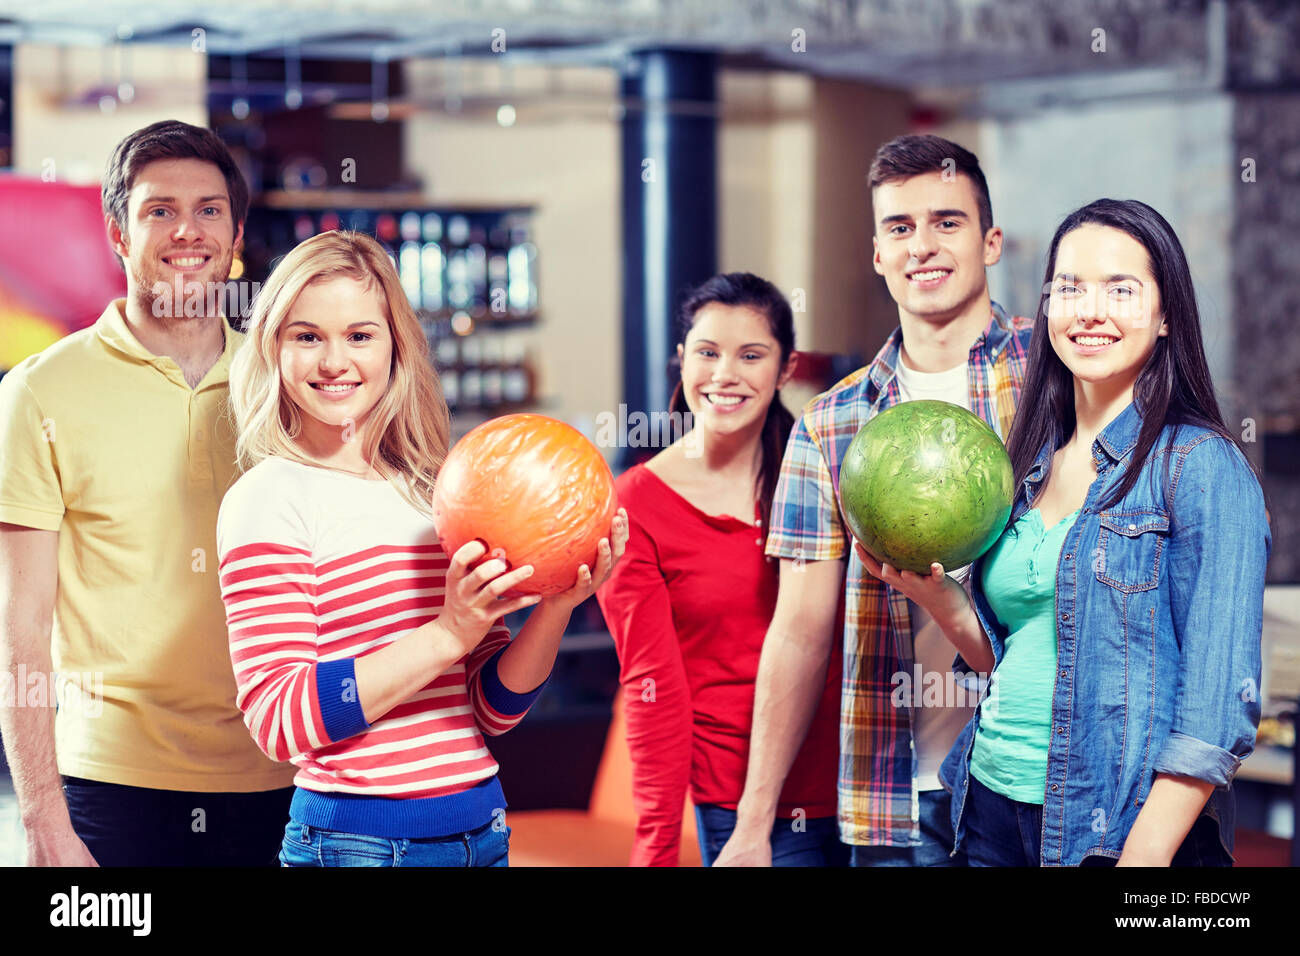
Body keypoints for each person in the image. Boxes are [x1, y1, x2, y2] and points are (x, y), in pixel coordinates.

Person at [862, 198, 1271, 866]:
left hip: (1112, 833)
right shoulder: (1025, 462)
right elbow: (1020, 657)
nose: (1090, 310)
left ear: (1167, 315)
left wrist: (1142, 862)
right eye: (1070, 287)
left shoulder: (1200, 466)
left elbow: (1216, 708)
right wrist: (940, 600)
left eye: (1120, 289)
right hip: (987, 806)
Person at [216, 230, 627, 867]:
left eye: (359, 335)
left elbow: (492, 710)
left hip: (481, 829)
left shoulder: (431, 492)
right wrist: (446, 633)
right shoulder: (267, 498)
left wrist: (557, 607)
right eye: (307, 336)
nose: (333, 361)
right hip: (357, 845)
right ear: (273, 347)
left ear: (394, 346)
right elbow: (281, 721)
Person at [715, 134, 1033, 867]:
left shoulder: (1057, 379)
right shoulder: (830, 423)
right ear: (878, 255)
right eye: (900, 227)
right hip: (894, 803)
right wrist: (754, 822)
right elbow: (798, 631)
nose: (922, 245)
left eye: (946, 222)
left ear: (990, 242)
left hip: (1038, 793)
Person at [0, 119, 297, 866]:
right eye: (158, 210)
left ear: (235, 237)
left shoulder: (287, 388)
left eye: (208, 211)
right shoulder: (40, 391)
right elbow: (20, 627)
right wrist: (40, 818)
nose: (186, 231)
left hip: (280, 773)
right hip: (108, 783)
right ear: (117, 235)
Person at [596, 273, 846, 866]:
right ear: (682, 360)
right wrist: (655, 848)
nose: (724, 375)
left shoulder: (820, 478)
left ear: (786, 370)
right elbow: (651, 686)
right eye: (707, 352)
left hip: (861, 783)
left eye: (751, 355)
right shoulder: (636, 503)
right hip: (740, 805)